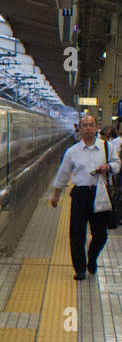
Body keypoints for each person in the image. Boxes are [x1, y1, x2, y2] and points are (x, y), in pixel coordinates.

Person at [50, 114, 120, 279]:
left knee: (101, 234)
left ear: (96, 128)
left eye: (91, 125)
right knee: (77, 233)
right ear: (79, 129)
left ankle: (92, 257)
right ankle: (80, 269)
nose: (88, 128)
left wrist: (108, 167)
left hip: (100, 194)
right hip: (80, 195)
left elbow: (118, 164)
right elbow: (63, 174)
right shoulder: (72, 152)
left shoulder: (107, 147)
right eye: (85, 125)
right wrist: (56, 196)